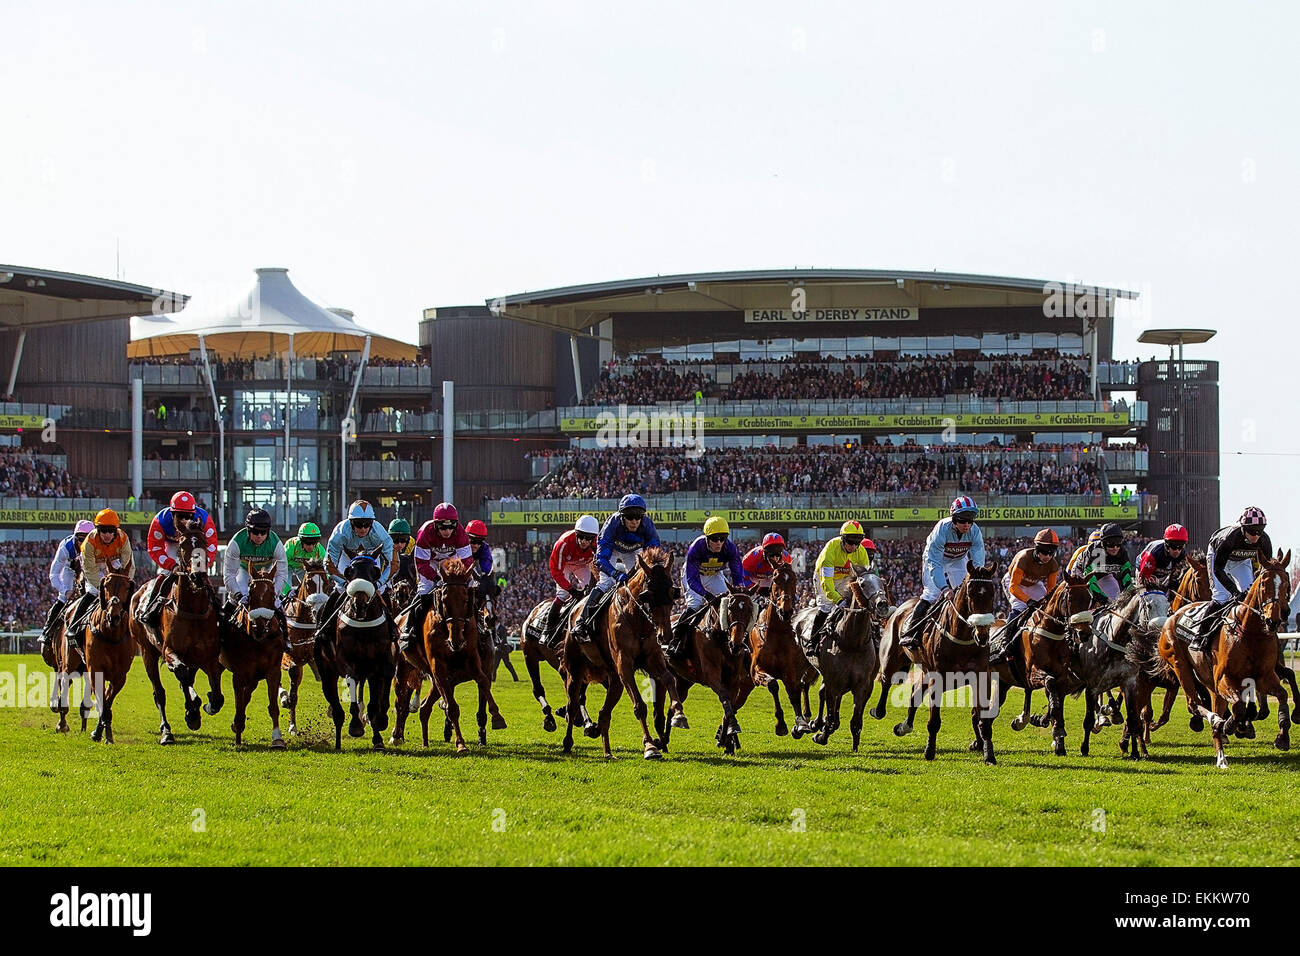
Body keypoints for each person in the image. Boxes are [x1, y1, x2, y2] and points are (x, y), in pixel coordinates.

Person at [136, 491, 220, 649]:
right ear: (172, 513)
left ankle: (218, 611)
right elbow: (154, 548)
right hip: (172, 547)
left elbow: (210, 546)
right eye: (180, 516)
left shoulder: (204, 519)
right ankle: (151, 608)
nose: (185, 520)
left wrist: (201, 566)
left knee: (201, 577)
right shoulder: (160, 520)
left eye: (188, 516)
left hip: (194, 548)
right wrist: (171, 565)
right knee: (163, 575)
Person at [573, 494, 660, 642]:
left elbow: (653, 553)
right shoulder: (611, 524)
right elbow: (601, 559)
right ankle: (582, 621)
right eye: (629, 516)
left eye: (638, 517)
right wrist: (614, 573)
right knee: (606, 582)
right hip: (612, 551)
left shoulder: (647, 525)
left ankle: (653, 622)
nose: (634, 521)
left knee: (642, 582)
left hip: (633, 551)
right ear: (621, 516)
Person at [902, 497, 986, 648]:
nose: (967, 525)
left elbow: (978, 559)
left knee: (967, 592)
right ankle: (911, 631)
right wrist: (944, 588)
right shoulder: (942, 528)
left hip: (958, 560)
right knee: (932, 594)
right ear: (954, 519)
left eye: (970, 520)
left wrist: (978, 576)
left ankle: (973, 632)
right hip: (936, 560)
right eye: (962, 520)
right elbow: (934, 563)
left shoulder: (975, 531)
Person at [315, 500, 394, 641]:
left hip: (370, 558)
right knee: (339, 590)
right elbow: (328, 563)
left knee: (381, 592)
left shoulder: (380, 533)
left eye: (367, 524)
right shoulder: (340, 533)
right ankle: (323, 628)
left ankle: (393, 628)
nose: (363, 529)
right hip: (347, 559)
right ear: (351, 523)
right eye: (358, 524)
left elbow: (393, 564)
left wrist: (379, 584)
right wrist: (344, 583)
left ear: (372, 523)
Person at [1194, 507, 1273, 650]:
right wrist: (1234, 591)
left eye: (1259, 531)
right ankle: (1200, 635)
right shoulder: (1229, 539)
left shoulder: (1265, 540)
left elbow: (1267, 570)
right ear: (1243, 528)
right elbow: (1218, 569)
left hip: (1241, 561)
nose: (1255, 536)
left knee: (1250, 597)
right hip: (1218, 559)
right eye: (1251, 531)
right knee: (1221, 596)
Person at [399, 502, 473, 651]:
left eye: (451, 526)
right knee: (423, 593)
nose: (447, 531)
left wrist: (461, 578)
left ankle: (481, 629)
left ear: (456, 524)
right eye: (443, 527)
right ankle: (409, 630)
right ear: (435, 525)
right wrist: (436, 579)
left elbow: (467, 561)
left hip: (452, 564)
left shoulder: (461, 533)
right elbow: (421, 563)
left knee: (471, 589)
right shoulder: (425, 532)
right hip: (430, 564)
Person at [669, 517, 750, 652]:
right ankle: (676, 639)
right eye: (714, 539)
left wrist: (739, 587)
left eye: (722, 538)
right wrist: (706, 595)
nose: (719, 543)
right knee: (695, 605)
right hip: (694, 577)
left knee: (728, 602)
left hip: (714, 575)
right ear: (707, 538)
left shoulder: (729, 547)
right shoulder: (696, 547)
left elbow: (737, 571)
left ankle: (735, 638)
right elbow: (692, 580)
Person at [66, 510, 135, 637]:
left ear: (116, 531)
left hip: (113, 562)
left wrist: (123, 584)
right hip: (95, 566)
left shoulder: (123, 538)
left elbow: (129, 565)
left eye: (111, 531)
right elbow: (90, 570)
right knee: (92, 592)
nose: (107, 535)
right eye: (104, 531)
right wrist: (103, 588)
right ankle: (74, 625)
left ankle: (135, 623)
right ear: (98, 530)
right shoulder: (89, 543)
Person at [807, 520, 872, 651]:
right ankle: (812, 642)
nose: (853, 547)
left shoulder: (861, 552)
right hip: (824, 578)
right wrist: (838, 600)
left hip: (844, 578)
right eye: (850, 542)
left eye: (857, 543)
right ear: (843, 539)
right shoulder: (831, 547)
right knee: (826, 606)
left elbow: (865, 579)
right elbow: (827, 583)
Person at [222, 508, 288, 623]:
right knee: (234, 598)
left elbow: (282, 574)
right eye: (255, 531)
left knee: (277, 604)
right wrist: (237, 595)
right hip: (244, 570)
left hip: (266, 572)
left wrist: (274, 593)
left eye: (263, 532)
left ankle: (286, 637)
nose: (259, 536)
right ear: (248, 530)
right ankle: (222, 633)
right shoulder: (236, 542)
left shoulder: (276, 544)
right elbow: (229, 575)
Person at [543, 515, 599, 645]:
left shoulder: (597, 544)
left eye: (588, 538)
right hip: (565, 564)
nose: (584, 541)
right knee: (563, 594)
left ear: (594, 538)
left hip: (583, 564)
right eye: (581, 536)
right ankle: (547, 630)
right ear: (576, 533)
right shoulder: (563, 543)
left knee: (590, 592)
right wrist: (571, 589)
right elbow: (555, 571)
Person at [40, 519, 93, 656]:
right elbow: (54, 574)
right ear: (75, 537)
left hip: (90, 570)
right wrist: (65, 590)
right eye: (81, 539)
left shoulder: (97, 544)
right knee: (63, 598)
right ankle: (47, 631)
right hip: (69, 570)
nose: (84, 543)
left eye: (88, 538)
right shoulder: (66, 547)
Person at [999, 529, 1061, 642]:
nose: (1048, 556)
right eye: (1044, 551)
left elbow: (1051, 589)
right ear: (1037, 548)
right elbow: (1013, 587)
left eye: (1051, 553)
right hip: (1013, 582)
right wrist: (1027, 600)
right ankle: (1005, 641)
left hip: (1034, 584)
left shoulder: (1053, 565)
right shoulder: (1023, 558)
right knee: (1019, 607)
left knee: (1045, 607)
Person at [1080, 522, 1133, 605]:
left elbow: (1126, 576)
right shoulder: (1096, 552)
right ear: (1103, 543)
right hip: (1081, 573)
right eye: (1111, 543)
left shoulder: (1122, 551)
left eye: (1118, 542)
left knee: (1116, 598)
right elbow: (1089, 580)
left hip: (1104, 575)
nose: (1115, 547)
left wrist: (1130, 594)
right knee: (1085, 600)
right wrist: (1101, 599)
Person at [1136, 524, 1190, 594]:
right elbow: (1143, 579)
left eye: (1180, 546)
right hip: (1145, 570)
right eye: (1173, 546)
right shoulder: (1154, 554)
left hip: (1164, 573)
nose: (1177, 551)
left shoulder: (1183, 555)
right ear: (1167, 545)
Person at [281, 522, 327, 600]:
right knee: (284, 587)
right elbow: (281, 568)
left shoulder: (319, 550)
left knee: (309, 587)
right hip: (288, 566)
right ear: (301, 540)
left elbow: (325, 570)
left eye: (314, 543)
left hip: (303, 569)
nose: (311, 547)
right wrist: (287, 591)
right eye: (308, 543)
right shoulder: (291, 545)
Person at [741, 532, 791, 598]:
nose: (775, 559)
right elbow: (743, 578)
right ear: (765, 553)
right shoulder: (751, 558)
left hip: (772, 580)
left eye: (777, 555)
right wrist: (756, 590)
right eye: (772, 555)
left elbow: (787, 580)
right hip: (754, 580)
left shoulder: (786, 558)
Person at [386, 518, 417, 586]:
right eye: (395, 540)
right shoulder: (385, 546)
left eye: (403, 540)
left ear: (408, 539)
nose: (399, 544)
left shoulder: (412, 543)